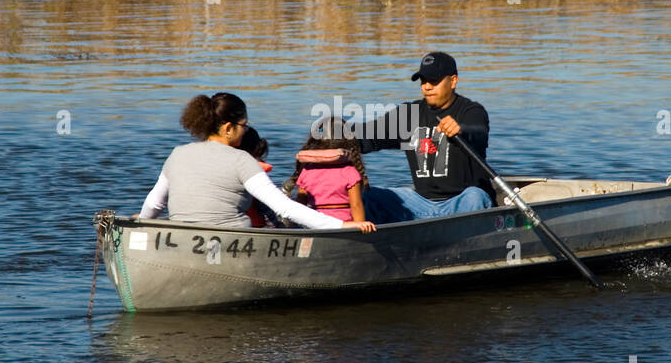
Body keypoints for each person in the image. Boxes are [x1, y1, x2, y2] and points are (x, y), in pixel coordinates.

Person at [138, 92, 376, 232]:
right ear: (229, 128)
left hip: (185, 236)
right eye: (244, 126)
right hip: (233, 240)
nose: (246, 132)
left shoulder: (177, 153)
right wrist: (343, 226)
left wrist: (140, 227)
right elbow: (285, 208)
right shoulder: (242, 160)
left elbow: (153, 206)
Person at [352, 51, 494, 223]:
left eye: (434, 81)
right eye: (423, 81)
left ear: (453, 81)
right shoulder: (409, 114)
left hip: (461, 203)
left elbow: (478, 131)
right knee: (367, 195)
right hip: (421, 204)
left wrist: (461, 129)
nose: (427, 87)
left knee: (475, 196)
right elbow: (367, 136)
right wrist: (331, 133)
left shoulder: (471, 111)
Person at [291, 119, 371, 224]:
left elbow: (301, 205)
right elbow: (356, 205)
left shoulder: (306, 170)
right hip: (343, 225)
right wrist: (361, 226)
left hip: (315, 225)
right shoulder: (350, 172)